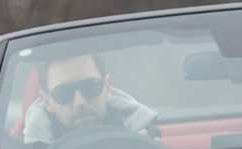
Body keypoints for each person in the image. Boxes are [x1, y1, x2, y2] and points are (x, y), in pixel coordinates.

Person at [22, 52, 157, 142]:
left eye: (90, 87)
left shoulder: (148, 144)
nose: (79, 102)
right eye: (64, 93)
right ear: (46, 101)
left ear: (108, 86)